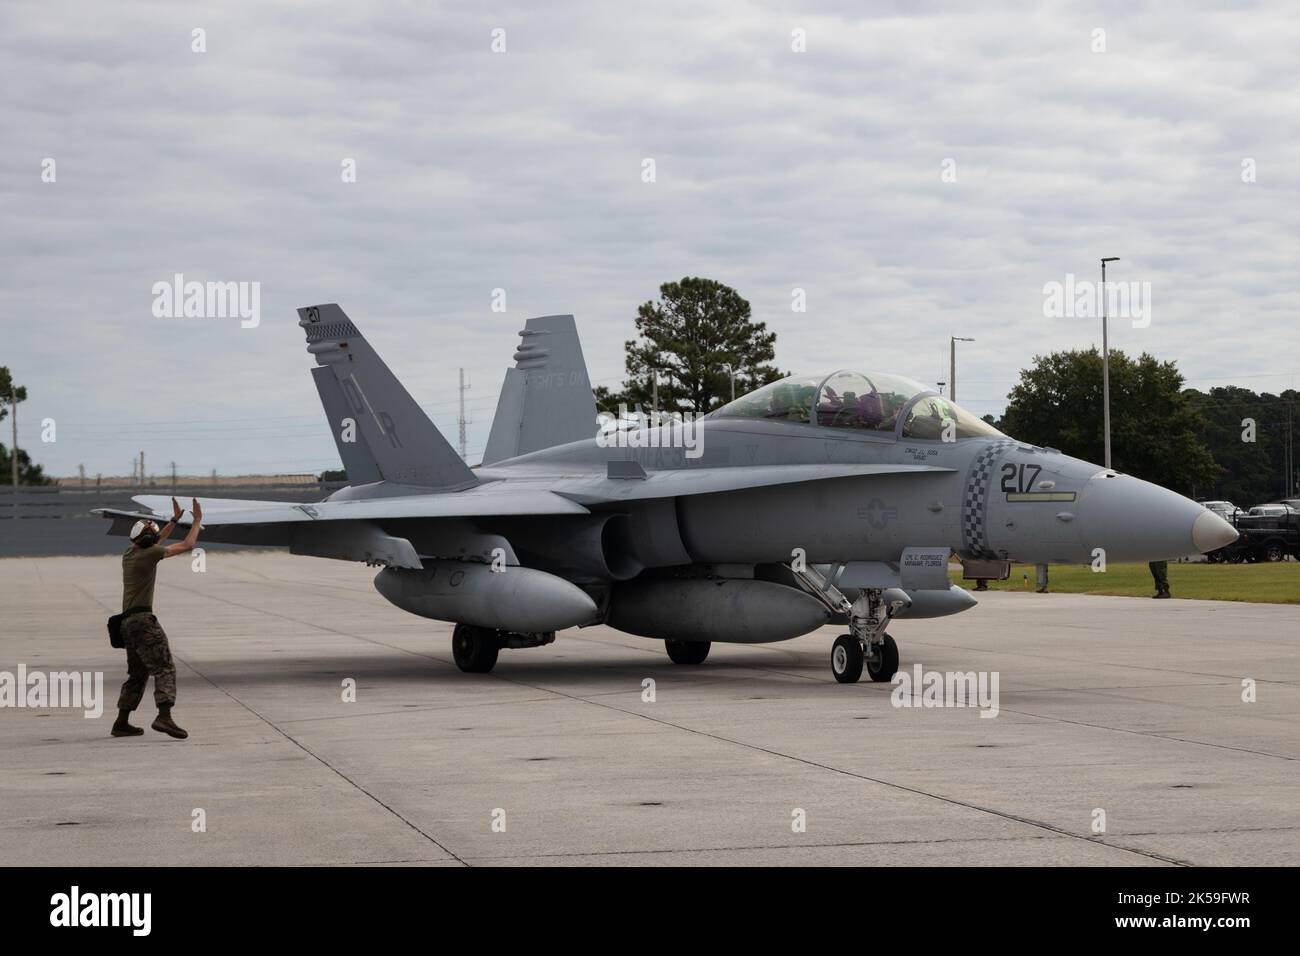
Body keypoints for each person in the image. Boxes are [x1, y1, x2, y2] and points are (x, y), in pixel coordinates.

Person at [111, 497, 202, 739]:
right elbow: (188, 545)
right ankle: (164, 717)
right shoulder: (149, 554)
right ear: (147, 540)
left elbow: (157, 538)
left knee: (138, 674)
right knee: (164, 668)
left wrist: (173, 520)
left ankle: (121, 722)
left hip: (126, 625)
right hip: (143, 622)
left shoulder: (131, 553)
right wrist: (196, 522)